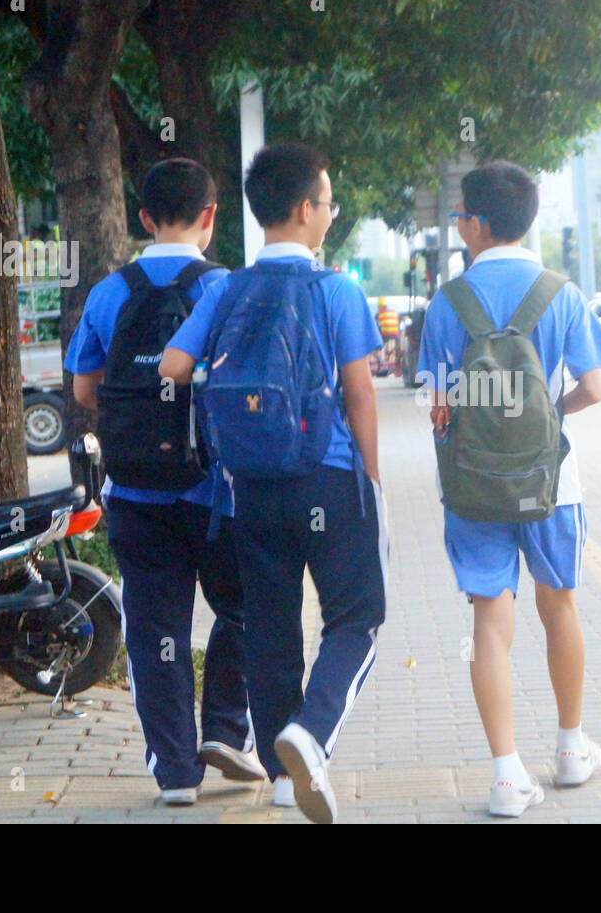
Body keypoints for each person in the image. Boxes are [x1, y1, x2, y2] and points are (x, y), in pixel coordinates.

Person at [160, 143, 386, 825]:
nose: (330, 212)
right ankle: (310, 734)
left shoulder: (227, 287)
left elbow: (173, 364)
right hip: (328, 473)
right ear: (304, 209)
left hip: (250, 484)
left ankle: (285, 778)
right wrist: (372, 481)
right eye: (327, 201)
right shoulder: (336, 289)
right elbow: (360, 395)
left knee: (270, 625)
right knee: (358, 616)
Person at [417, 161, 601, 818]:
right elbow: (592, 387)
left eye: (459, 216)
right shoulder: (561, 291)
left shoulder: (448, 302)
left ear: (475, 224)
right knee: (558, 605)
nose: (457, 226)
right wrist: (545, 415)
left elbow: (437, 404)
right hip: (551, 480)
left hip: (474, 485)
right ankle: (568, 748)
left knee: (488, 622)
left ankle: (506, 775)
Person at [64, 158, 262, 807]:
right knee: (244, 606)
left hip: (136, 492)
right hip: (217, 493)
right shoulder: (225, 288)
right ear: (210, 217)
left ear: (144, 217)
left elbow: (85, 388)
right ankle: (229, 728)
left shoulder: (107, 292)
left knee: (156, 627)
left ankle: (176, 771)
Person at [375, 295, 400, 365]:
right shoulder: (393, 312)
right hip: (395, 335)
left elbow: (375, 326)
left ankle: (380, 357)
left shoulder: (378, 314)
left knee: (379, 341)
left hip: (385, 334)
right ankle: (397, 357)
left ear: (379, 306)